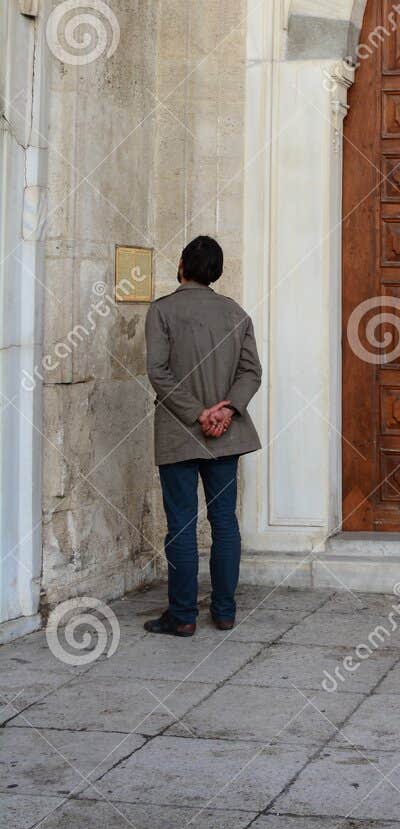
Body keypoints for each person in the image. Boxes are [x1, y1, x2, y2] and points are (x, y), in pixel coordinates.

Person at [142, 235, 262, 637]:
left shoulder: (162, 311)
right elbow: (251, 372)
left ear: (181, 265)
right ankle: (224, 612)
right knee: (224, 522)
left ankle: (183, 616)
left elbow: (159, 372)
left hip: (179, 434)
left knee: (180, 524)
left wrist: (197, 413)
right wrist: (226, 409)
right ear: (218, 271)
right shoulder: (236, 313)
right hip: (225, 435)